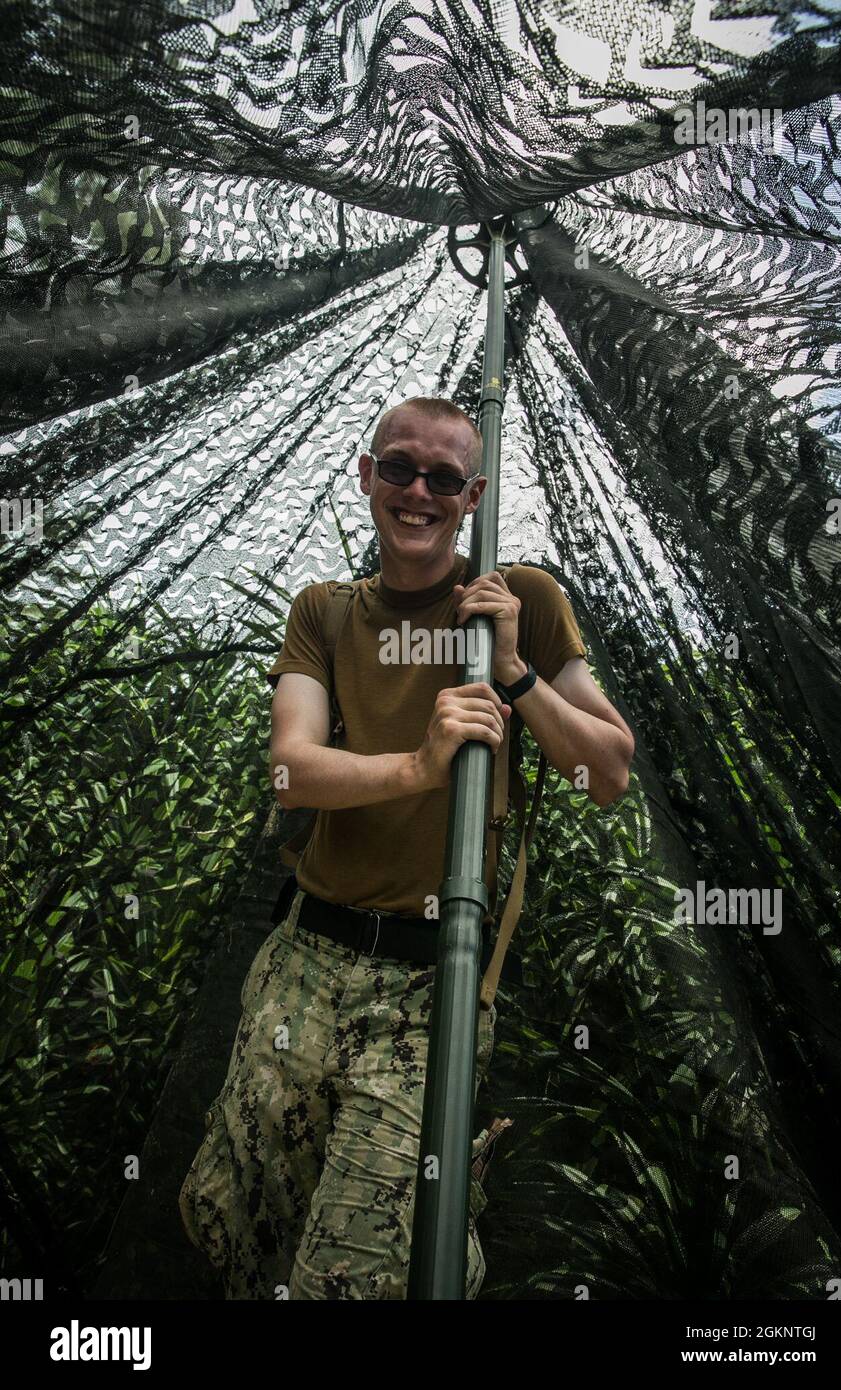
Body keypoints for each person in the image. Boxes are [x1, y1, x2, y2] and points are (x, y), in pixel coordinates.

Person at [179, 396, 634, 1299]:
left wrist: (514, 674)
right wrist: (420, 767)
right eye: (399, 468)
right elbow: (290, 771)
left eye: (442, 478)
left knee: (372, 1270)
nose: (417, 491)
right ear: (368, 476)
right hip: (303, 963)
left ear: (473, 496)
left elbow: (608, 770)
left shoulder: (521, 601)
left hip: (437, 985)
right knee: (246, 1232)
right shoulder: (326, 612)